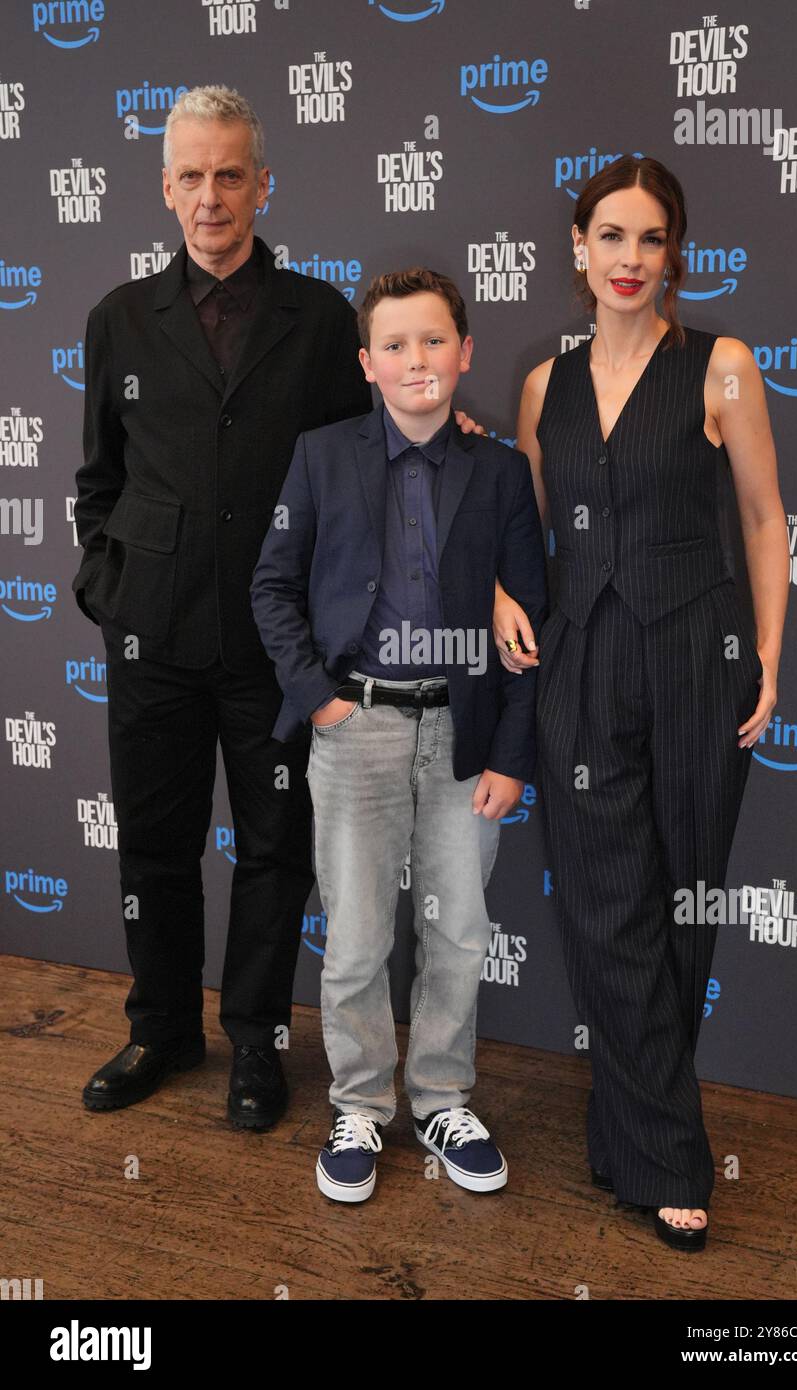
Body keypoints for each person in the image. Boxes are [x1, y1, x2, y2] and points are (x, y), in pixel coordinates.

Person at [71, 85, 481, 1129]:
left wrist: (445, 420)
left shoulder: (318, 318)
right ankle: (161, 1027)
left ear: (264, 183)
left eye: (230, 174)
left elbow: (379, 455)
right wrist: (106, 587)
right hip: (151, 634)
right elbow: (97, 481)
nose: (212, 196)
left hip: (277, 643)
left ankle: (255, 1039)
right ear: (165, 187)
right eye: (192, 176)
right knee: (154, 847)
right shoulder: (117, 319)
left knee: (273, 848)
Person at [492, 156, 788, 1250]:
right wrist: (491, 591)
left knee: (681, 903)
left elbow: (762, 518)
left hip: (694, 663)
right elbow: (520, 528)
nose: (627, 260)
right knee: (606, 906)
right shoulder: (541, 385)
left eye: (648, 239)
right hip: (576, 664)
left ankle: (627, 1132)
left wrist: (765, 654)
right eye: (607, 236)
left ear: (674, 254)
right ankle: (669, 1155)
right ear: (576, 246)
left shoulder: (720, 368)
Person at [250, 267, 548, 1201]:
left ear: (465, 353)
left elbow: (530, 618)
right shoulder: (321, 455)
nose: (416, 358)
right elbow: (273, 587)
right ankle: (361, 1104)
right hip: (358, 723)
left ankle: (444, 1096)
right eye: (394, 344)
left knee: (457, 930)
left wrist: (510, 752)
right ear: (367, 363)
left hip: (464, 731)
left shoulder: (498, 471)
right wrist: (321, 700)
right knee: (356, 936)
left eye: (433, 341)